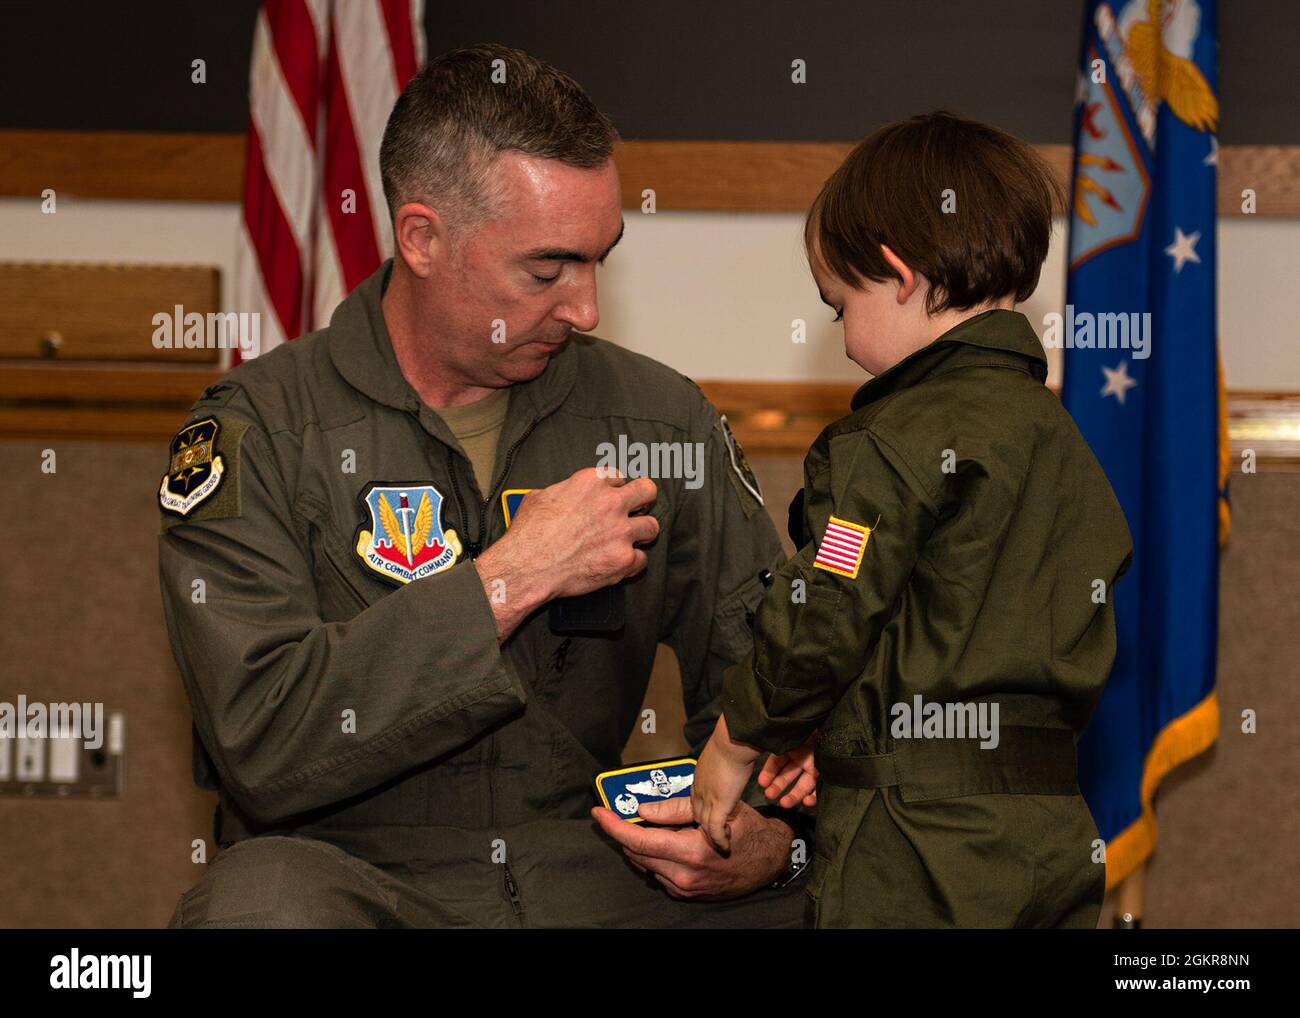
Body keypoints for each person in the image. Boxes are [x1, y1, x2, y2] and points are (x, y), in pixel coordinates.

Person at [160, 43, 811, 929]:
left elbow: (772, 675)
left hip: (588, 868)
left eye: (599, 260)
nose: (584, 308)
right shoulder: (260, 433)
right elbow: (264, 741)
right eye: (546, 271)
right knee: (262, 914)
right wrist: (514, 578)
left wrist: (768, 838)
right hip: (350, 875)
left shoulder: (658, 422)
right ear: (422, 238)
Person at [690, 112, 1134, 928]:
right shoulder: (1061, 439)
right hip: (1048, 831)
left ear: (897, 274)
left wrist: (738, 740)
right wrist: (843, 739)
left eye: (837, 306)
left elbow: (823, 609)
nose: (845, 338)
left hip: (914, 852)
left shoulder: (888, 442)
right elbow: (952, 626)